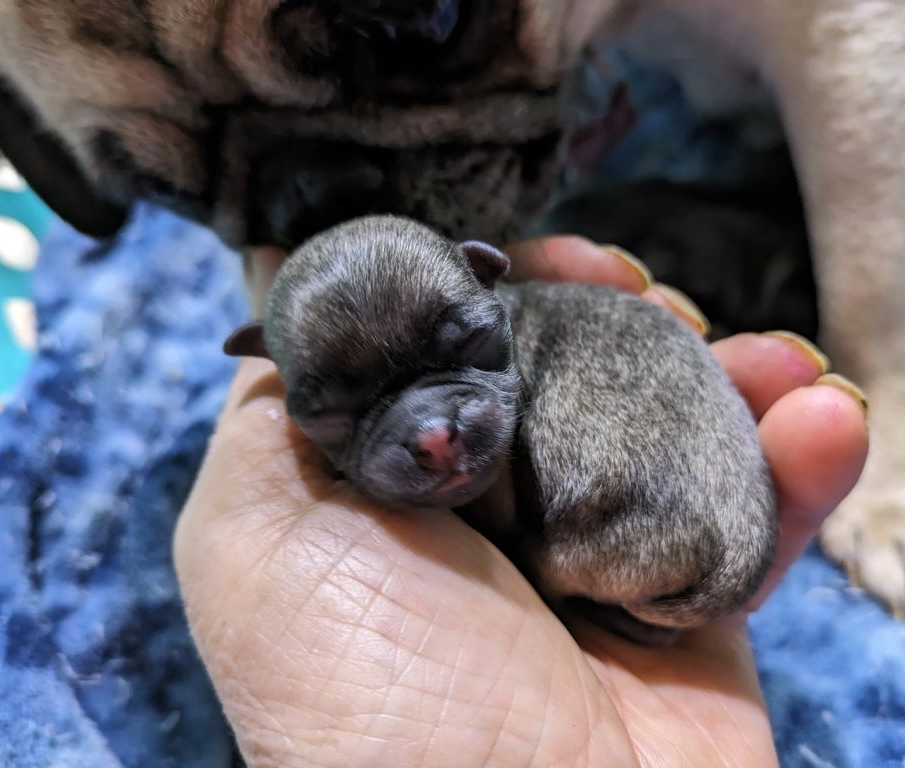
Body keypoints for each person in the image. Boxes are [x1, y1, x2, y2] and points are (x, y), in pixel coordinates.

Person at [175, 236, 869, 766]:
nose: (436, 438)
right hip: (668, 550)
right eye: (338, 408)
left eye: (468, 349)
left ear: (486, 272)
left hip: (645, 540)